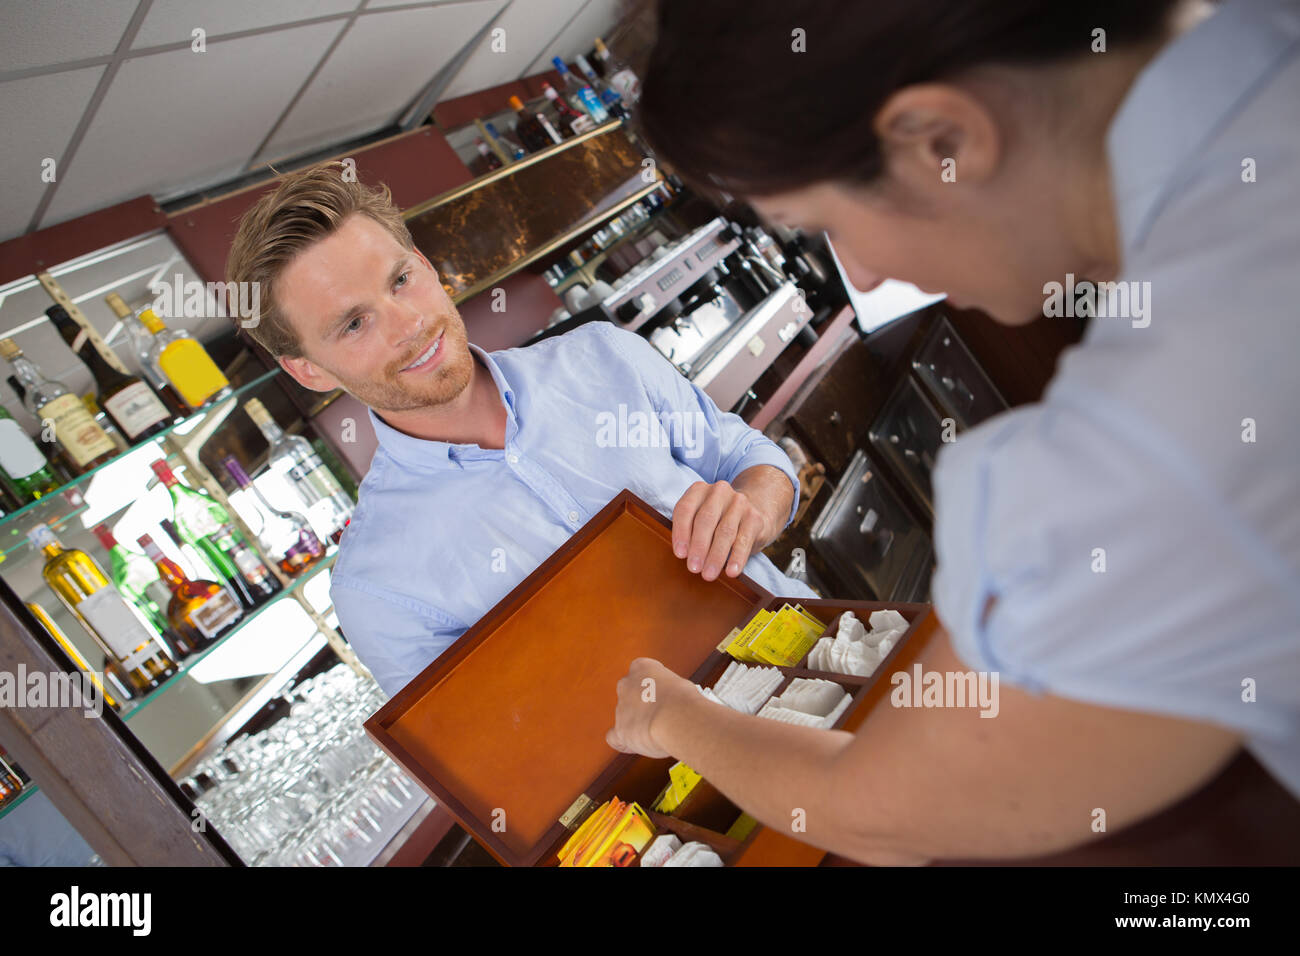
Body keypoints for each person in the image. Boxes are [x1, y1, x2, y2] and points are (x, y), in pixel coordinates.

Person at [606, 0, 1300, 863]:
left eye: (826, 223)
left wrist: (671, 716)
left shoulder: (1150, 441)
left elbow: (877, 811)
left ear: (942, 142)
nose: (858, 269)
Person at [224, 164, 815, 696]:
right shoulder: (377, 589)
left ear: (426, 266)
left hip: (828, 666)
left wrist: (754, 509)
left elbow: (750, 457)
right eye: (354, 323)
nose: (408, 323)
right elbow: (492, 769)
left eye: (401, 280)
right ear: (306, 369)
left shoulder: (603, 355)